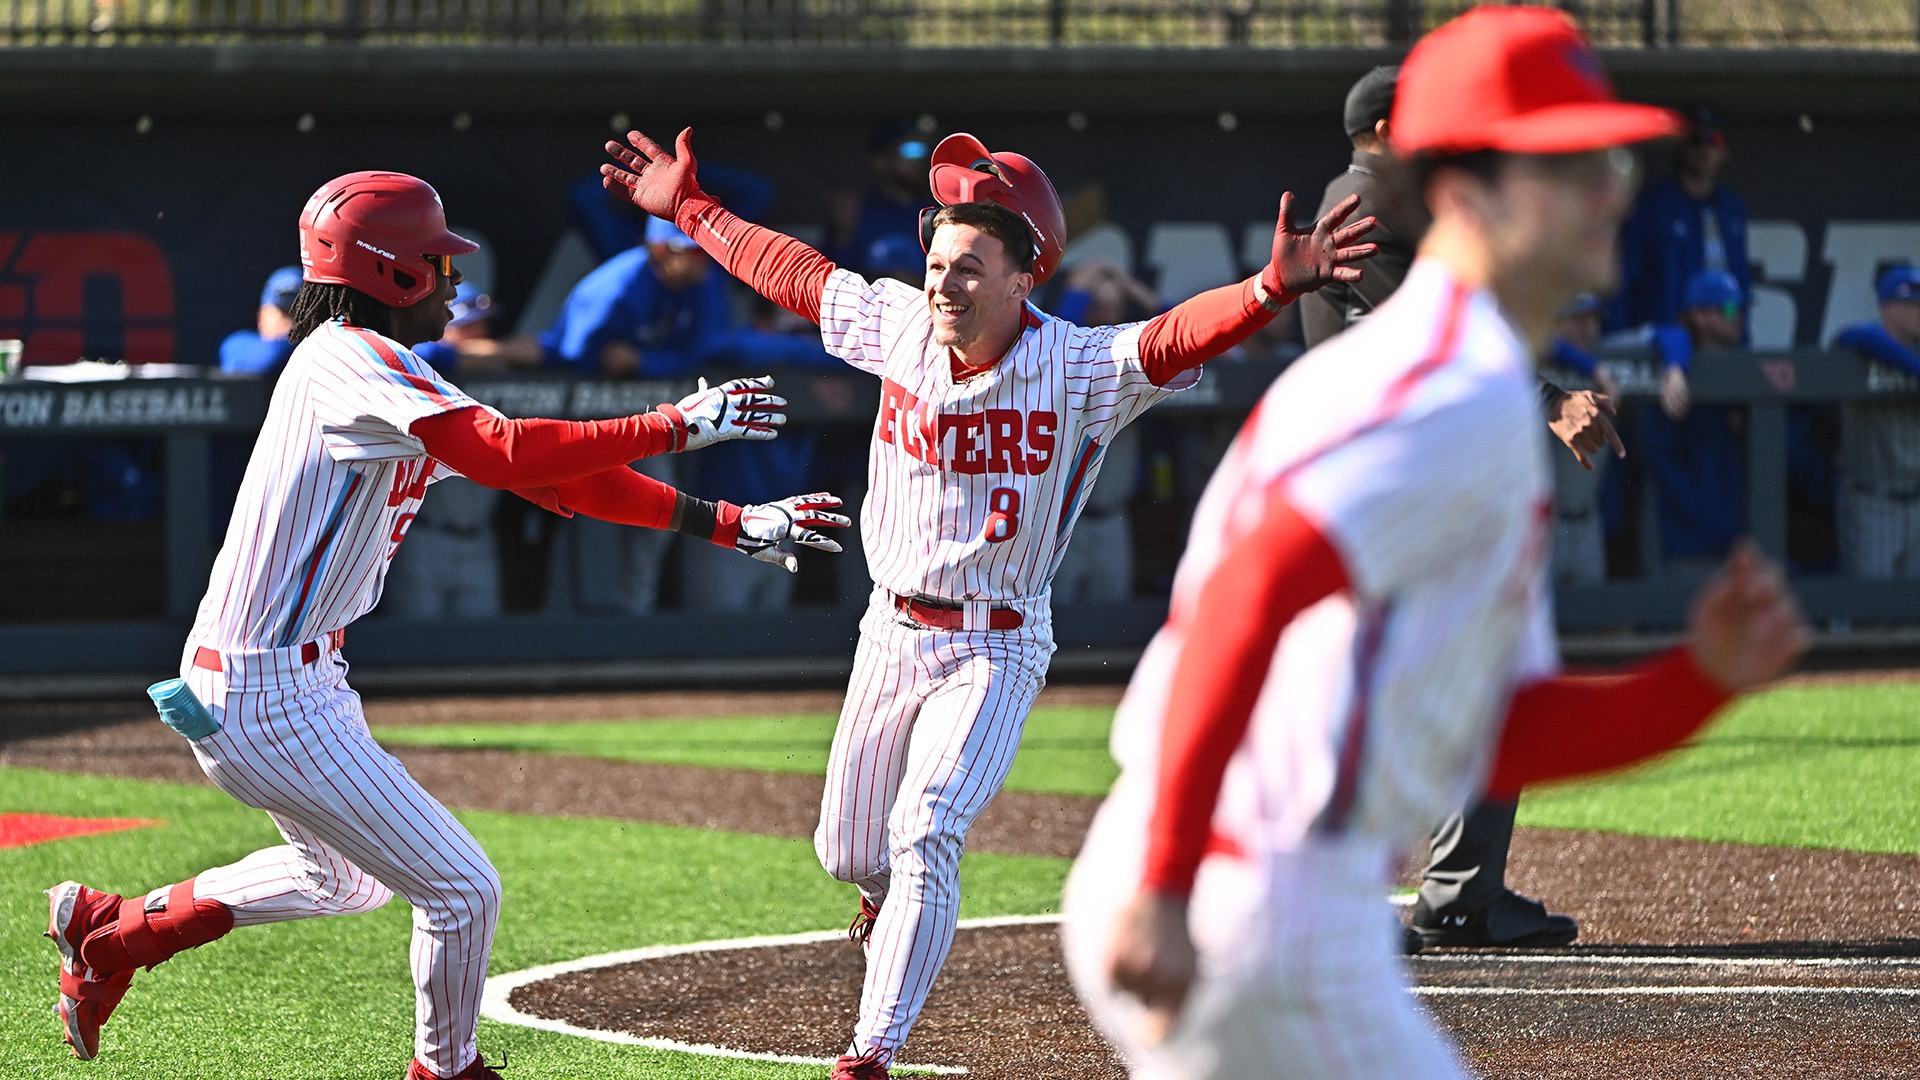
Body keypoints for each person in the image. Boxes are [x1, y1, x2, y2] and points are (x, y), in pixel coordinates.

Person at [1063, 10, 1807, 1080]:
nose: (1613, 186)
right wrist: (1172, 885)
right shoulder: (1447, 387)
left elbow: (1489, 732)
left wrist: (1696, 684)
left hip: (1258, 890)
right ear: (1464, 191)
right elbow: (1245, 594)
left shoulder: (1477, 377)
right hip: (1246, 900)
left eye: (1608, 155)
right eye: (1569, 160)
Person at [599, 123, 1377, 1079]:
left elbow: (1173, 336)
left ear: (1026, 277)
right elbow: (792, 272)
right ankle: (882, 903)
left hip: (995, 643)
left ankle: (869, 1052)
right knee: (847, 849)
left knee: (926, 827)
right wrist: (689, 207)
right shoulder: (898, 325)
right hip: (889, 627)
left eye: (969, 266)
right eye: (936, 261)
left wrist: (1268, 290)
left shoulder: (1079, 368)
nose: (942, 283)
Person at [42, 170, 847, 1079]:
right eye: (437, 263)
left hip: (284, 680)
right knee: (463, 891)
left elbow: (547, 478)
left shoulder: (381, 364)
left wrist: (732, 523)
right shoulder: (347, 360)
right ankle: (446, 1071)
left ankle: (110, 938)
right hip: (265, 691)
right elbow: (502, 451)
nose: (455, 282)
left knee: (341, 884)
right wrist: (672, 422)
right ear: (389, 273)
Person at [1300, 61, 1615, 953]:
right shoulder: (1358, 204)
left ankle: (1459, 894)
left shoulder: (1390, 202)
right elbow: (1432, 343)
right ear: (1390, 130)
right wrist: (1551, 395)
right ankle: (1356, 894)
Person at [1640, 268, 1749, 577]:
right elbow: (1665, 333)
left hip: (1730, 539)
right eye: (1728, 309)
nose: (1738, 316)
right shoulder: (1671, 363)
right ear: (1699, 317)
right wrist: (1675, 368)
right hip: (1680, 538)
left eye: (1740, 308)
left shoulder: (1742, 366)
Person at [1612, 105, 1749, 334]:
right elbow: (1623, 279)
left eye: (1715, 140)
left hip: (1720, 339)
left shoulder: (1732, 209)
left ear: (1725, 150)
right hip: (1666, 341)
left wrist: (1740, 337)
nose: (1706, 149)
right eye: (1697, 139)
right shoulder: (1652, 206)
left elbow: (1739, 284)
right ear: (1682, 146)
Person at [1831, 264, 1920, 578]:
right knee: (1870, 615)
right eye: (1910, 304)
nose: (1918, 311)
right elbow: (1854, 335)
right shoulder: (1860, 347)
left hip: (1917, 501)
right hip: (1873, 503)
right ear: (1885, 307)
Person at [219, 265, 302, 376]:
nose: (290, 322)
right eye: (283, 313)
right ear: (261, 315)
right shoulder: (238, 343)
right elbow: (269, 358)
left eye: (297, 315)